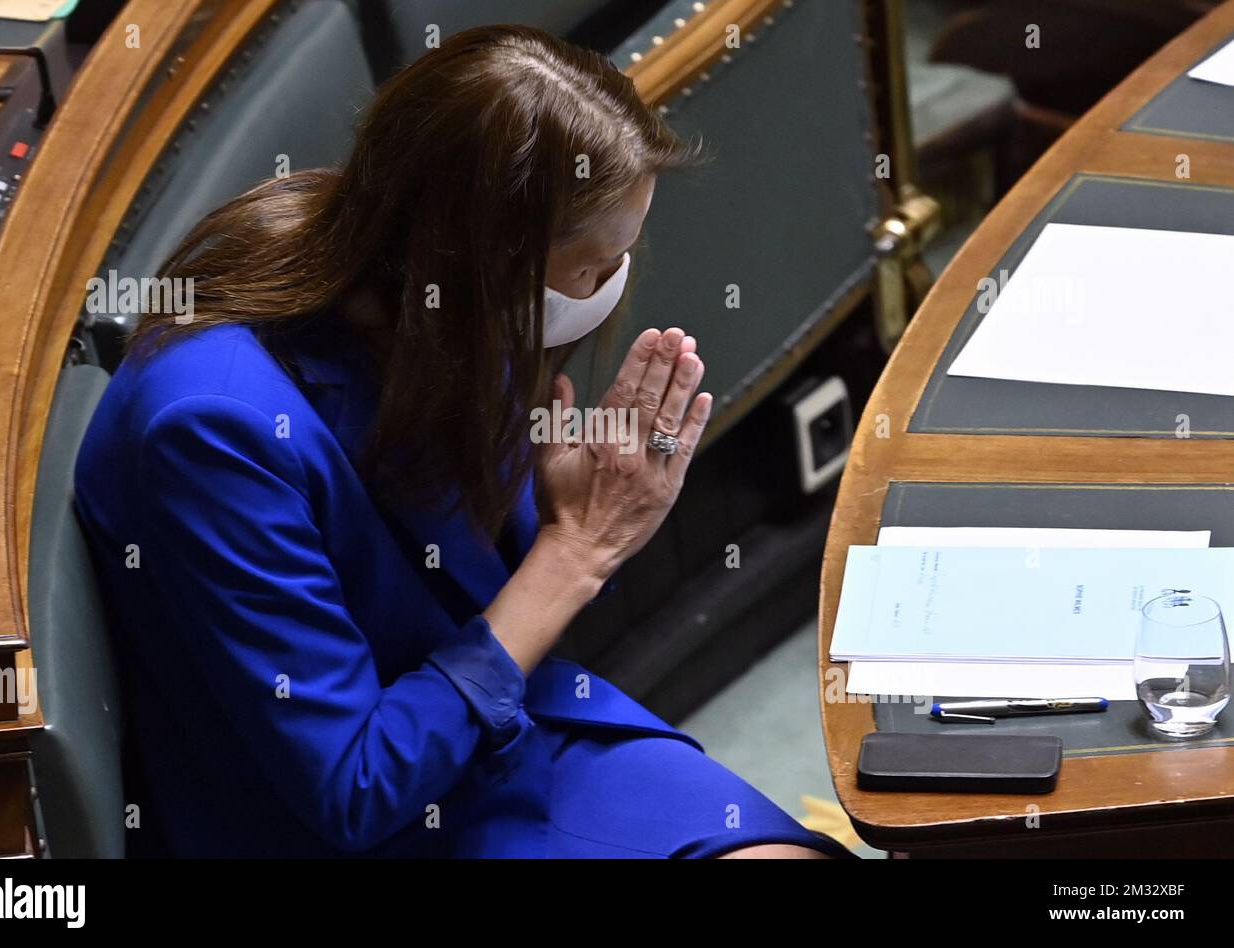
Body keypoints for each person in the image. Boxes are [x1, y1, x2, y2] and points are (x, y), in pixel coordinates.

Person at [74, 24, 850, 859]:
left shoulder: (420, 287)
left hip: (504, 723)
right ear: (487, 263)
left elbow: (477, 590)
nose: (611, 285)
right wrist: (574, 551)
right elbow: (351, 788)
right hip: (362, 818)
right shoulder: (213, 430)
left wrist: (551, 508)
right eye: (592, 268)